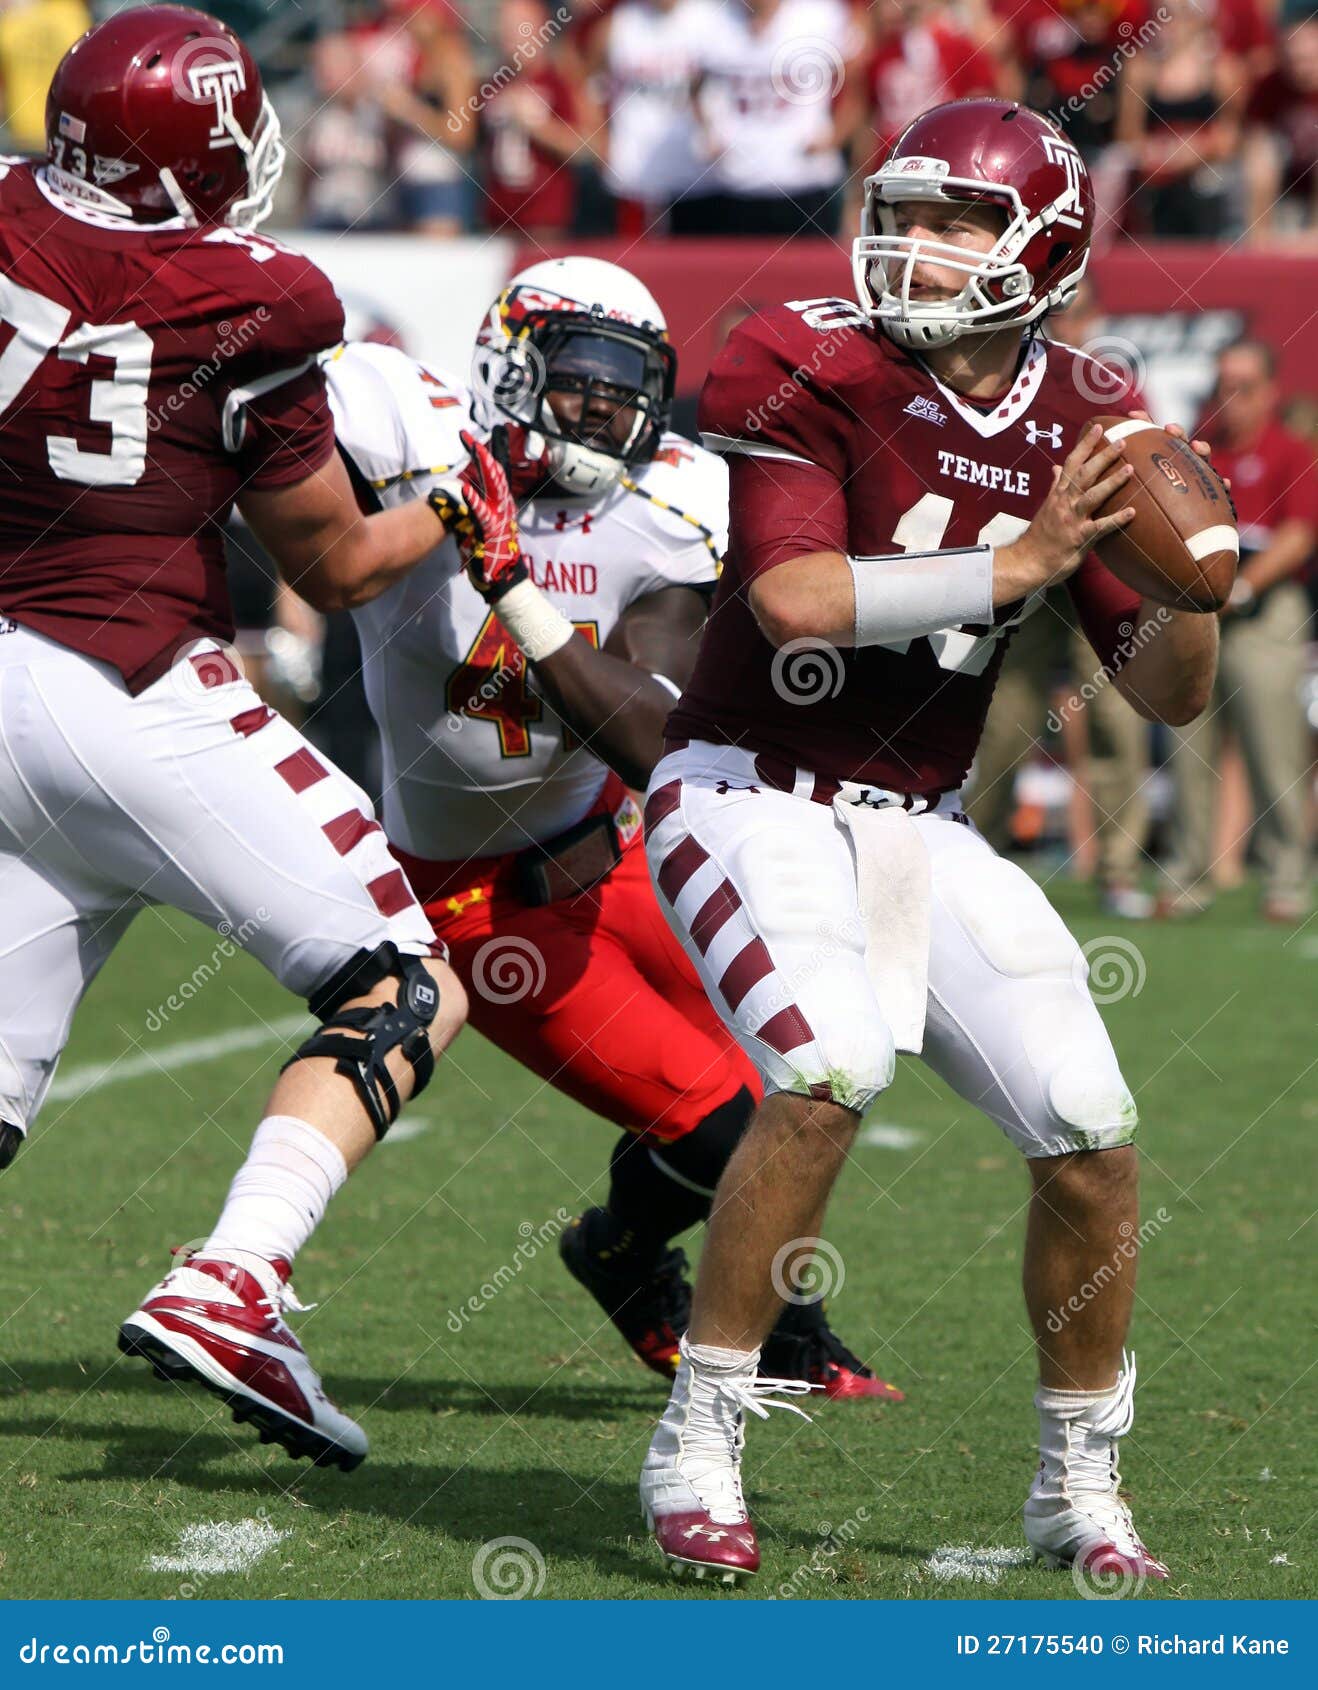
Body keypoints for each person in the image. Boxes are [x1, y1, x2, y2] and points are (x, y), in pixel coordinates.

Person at [635, 98, 1221, 1586]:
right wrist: (1021, 555)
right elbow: (793, 601)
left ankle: (1076, 1481)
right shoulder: (797, 352)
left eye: (955, 220)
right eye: (902, 209)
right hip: (744, 782)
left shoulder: (1084, 405)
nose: (912, 242)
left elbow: (1163, 691)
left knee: (1086, 1127)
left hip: (917, 824)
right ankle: (699, 1435)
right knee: (828, 1071)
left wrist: (1187, 573)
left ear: (1045, 243)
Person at [0, 7, 467, 1473]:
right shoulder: (256, 297)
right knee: (402, 977)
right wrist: (455, 504)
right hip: (134, 689)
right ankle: (236, 1276)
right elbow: (330, 563)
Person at [324, 256, 902, 1401]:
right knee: (719, 1128)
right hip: (474, 895)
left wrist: (513, 588)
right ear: (510, 367)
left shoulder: (664, 504)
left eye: (626, 386)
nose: (605, 408)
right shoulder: (420, 467)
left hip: (612, 845)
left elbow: (657, 732)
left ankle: (777, 1313)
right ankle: (626, 1257)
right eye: (581, 380)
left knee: (796, 1078)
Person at [969, 275, 1156, 919]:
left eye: (1074, 315)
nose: (1062, 327)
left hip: (1102, 562)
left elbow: (1148, 481)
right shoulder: (1017, 376)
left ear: (1098, 318)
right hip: (1028, 558)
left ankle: (1119, 872)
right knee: (1003, 712)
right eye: (1053, 316)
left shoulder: (1115, 390)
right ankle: (970, 853)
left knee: (1114, 718)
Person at [1160, 340, 1317, 923]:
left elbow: (1299, 536)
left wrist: (1241, 590)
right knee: (1187, 750)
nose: (1233, 399)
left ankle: (1285, 878)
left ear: (1271, 391)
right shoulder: (1198, 453)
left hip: (1263, 610)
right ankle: (1187, 875)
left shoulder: (1290, 451)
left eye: (1246, 387)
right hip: (1199, 610)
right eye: (1224, 384)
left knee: (1274, 750)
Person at [672, 0, 866, 237]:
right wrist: (707, 133)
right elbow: (692, 87)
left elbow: (857, 84)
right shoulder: (711, 20)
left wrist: (834, 137)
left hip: (805, 182)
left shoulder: (819, 17)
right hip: (731, 186)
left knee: (807, 271)